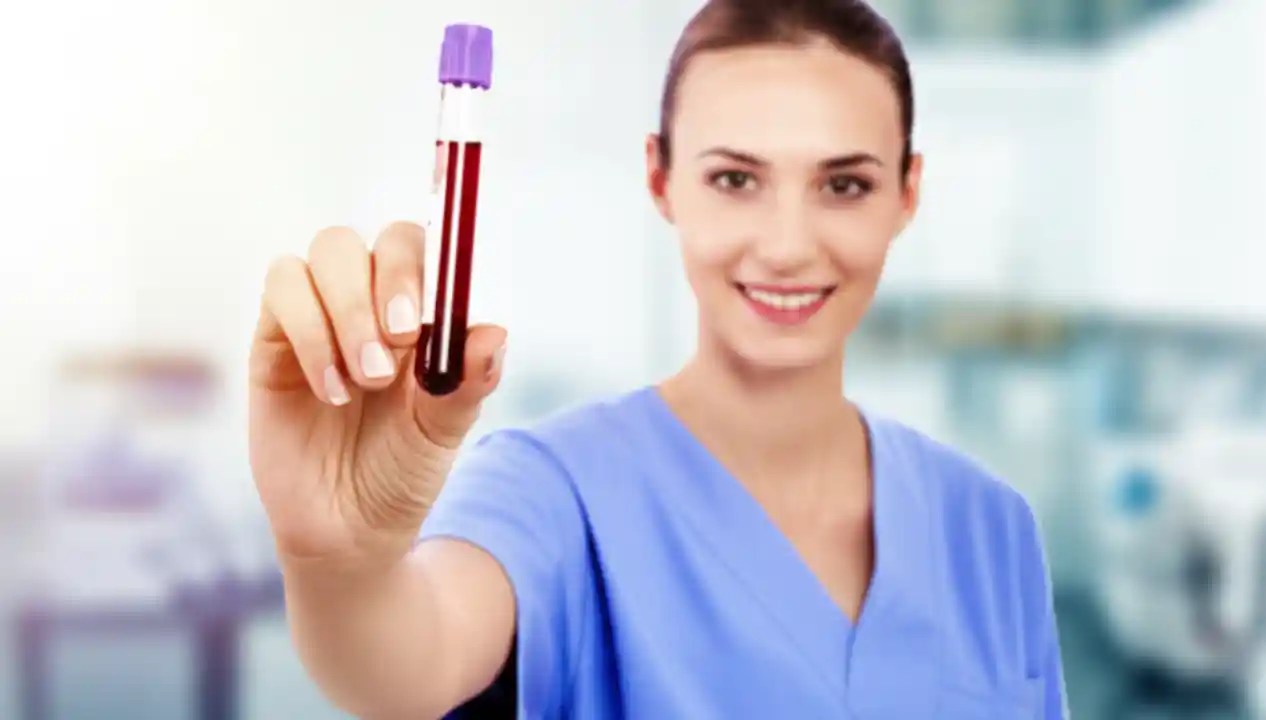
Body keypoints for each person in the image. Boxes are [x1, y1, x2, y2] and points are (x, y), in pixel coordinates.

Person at [247, 0, 1069, 717]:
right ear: (661, 178)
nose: (787, 246)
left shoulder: (993, 530)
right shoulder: (551, 492)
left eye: (844, 185)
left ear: (908, 192)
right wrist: (340, 569)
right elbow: (407, 662)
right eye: (736, 180)